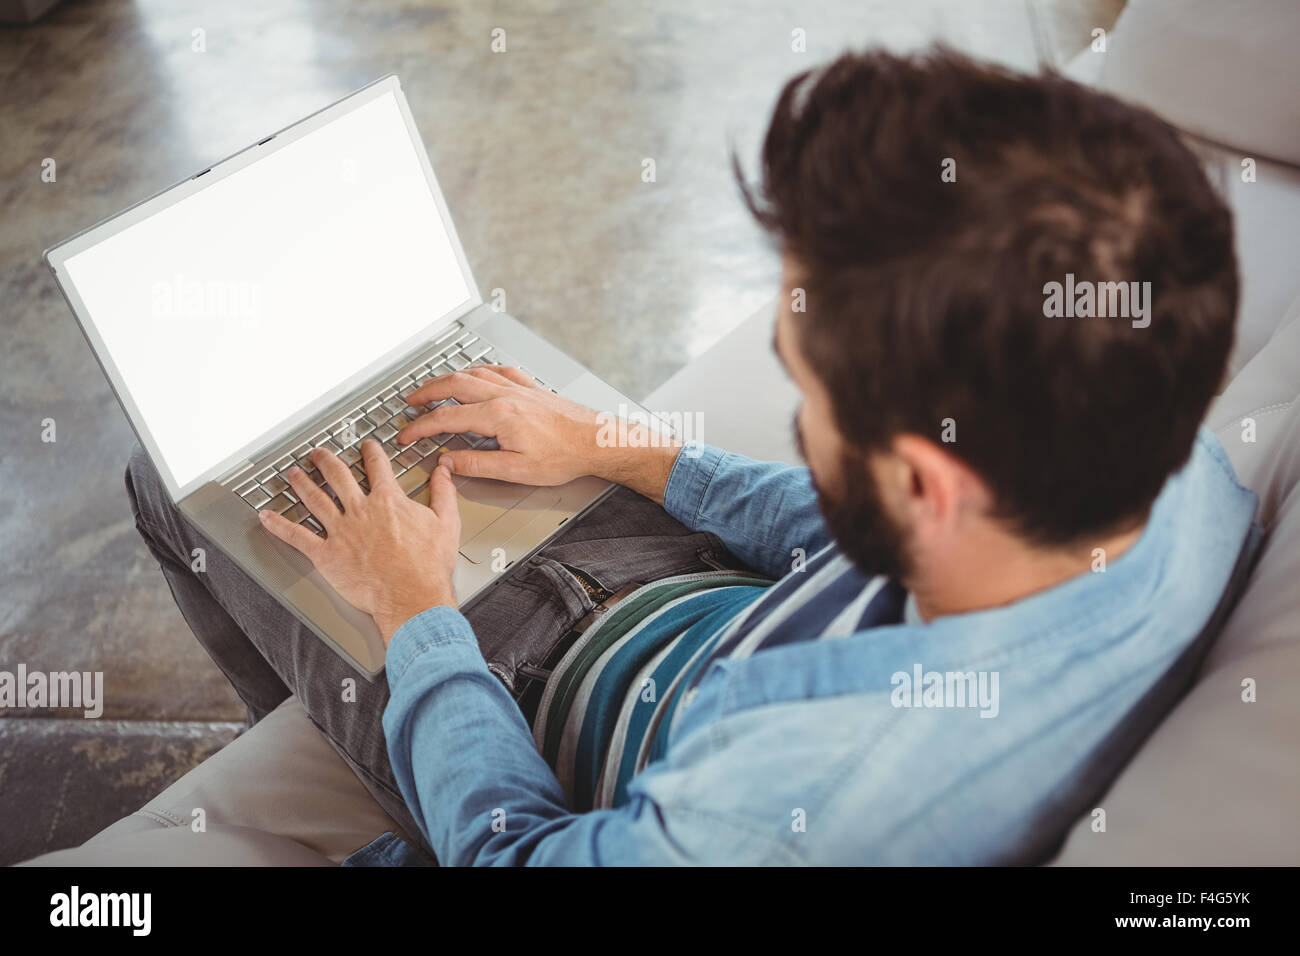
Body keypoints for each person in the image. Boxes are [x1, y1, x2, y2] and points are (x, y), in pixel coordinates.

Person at [127, 47, 1260, 865]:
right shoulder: (1171, 477)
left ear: (924, 479)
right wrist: (618, 448)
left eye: (799, 377)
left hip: (521, 709)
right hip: (695, 597)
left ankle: (337, 720)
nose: (794, 400)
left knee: (179, 475)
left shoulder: (775, 809)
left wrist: (416, 615)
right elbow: (850, 537)